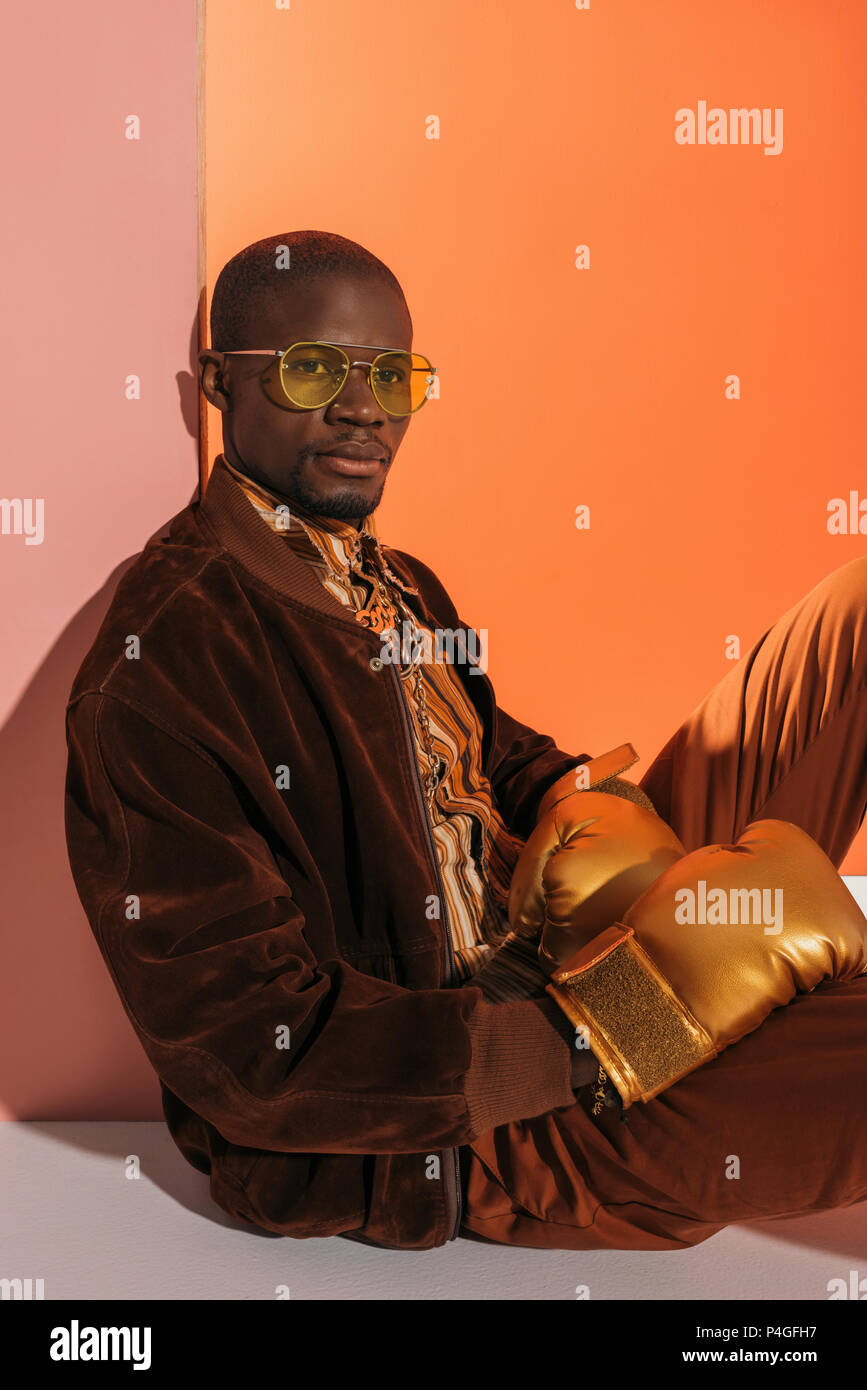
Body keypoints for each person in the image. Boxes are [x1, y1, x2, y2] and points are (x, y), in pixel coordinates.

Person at [64, 229, 867, 1253]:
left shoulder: (396, 579)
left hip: (567, 930)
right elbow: (251, 1052)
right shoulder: (166, 659)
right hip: (482, 1122)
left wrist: (583, 806)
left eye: (392, 375)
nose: (366, 406)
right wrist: (611, 1024)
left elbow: (495, 752)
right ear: (220, 387)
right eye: (315, 369)